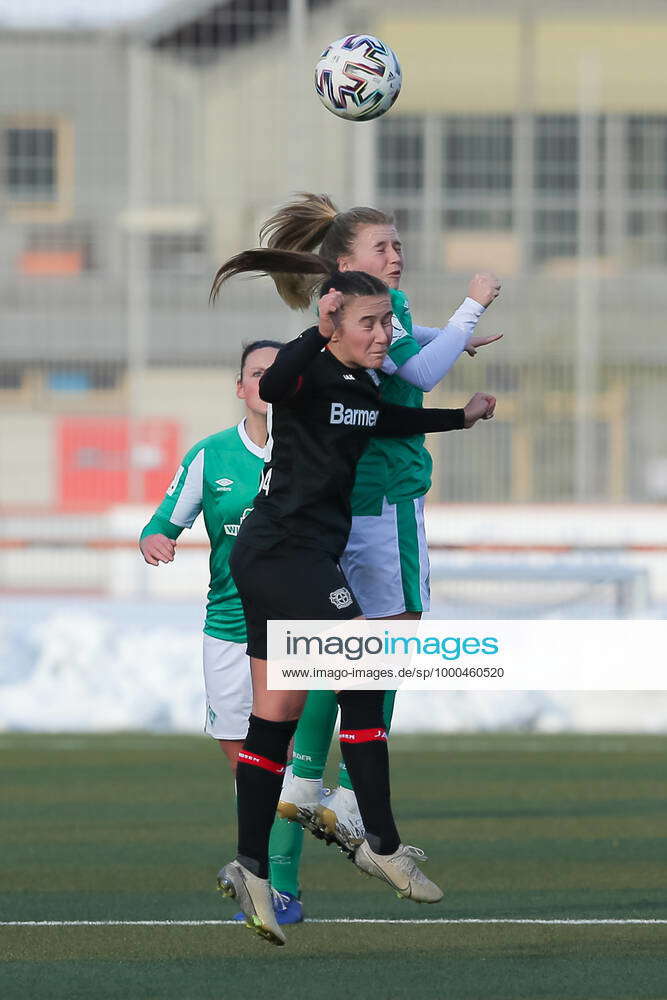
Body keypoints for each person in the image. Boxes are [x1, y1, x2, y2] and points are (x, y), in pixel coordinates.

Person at [209, 254, 496, 946]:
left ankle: (250, 868)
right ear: (335, 322)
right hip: (285, 553)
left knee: (272, 716)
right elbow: (276, 382)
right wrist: (318, 323)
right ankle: (383, 844)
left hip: (281, 558)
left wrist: (461, 418)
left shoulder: (360, 386)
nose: (383, 334)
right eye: (370, 323)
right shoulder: (305, 371)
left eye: (387, 323)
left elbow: (388, 424)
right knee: (363, 668)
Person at [138, 341, 310, 925]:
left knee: (283, 754)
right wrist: (154, 539)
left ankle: (275, 881)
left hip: (297, 628)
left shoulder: (314, 448)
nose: (267, 382)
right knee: (245, 762)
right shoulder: (210, 456)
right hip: (229, 627)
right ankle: (269, 860)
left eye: (277, 373)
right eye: (257, 374)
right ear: (240, 387)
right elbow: (161, 522)